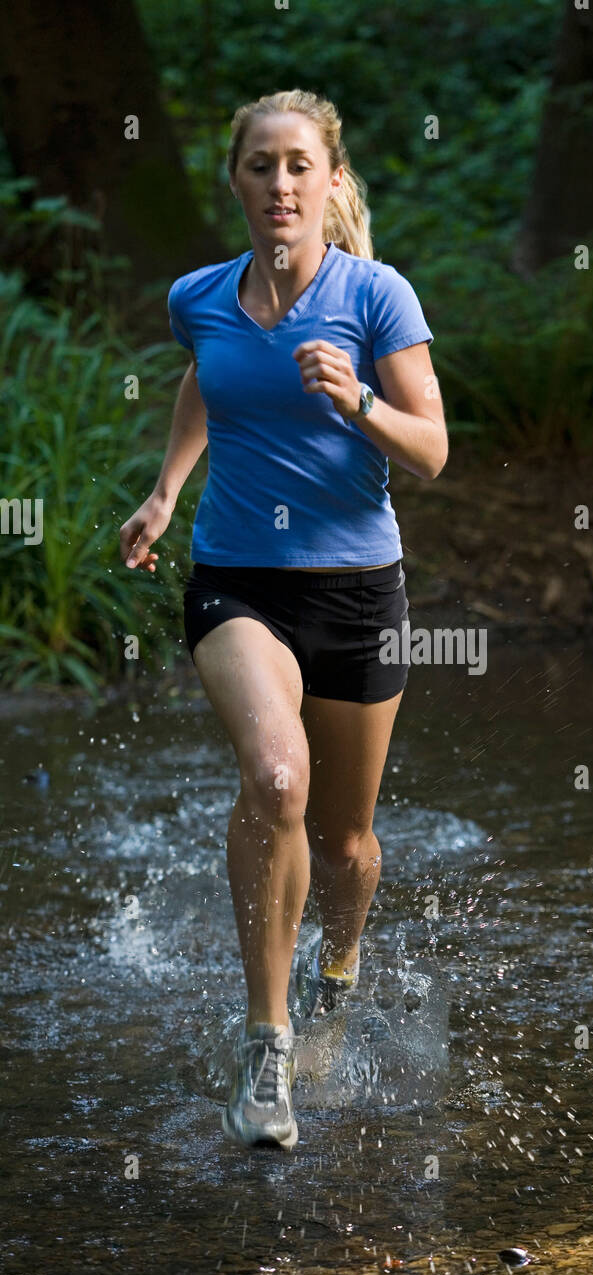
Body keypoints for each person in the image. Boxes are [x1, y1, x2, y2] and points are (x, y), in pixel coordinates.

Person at [119, 88, 447, 1151]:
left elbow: (433, 450)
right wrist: (168, 488)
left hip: (357, 588)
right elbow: (205, 380)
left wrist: (356, 398)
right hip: (237, 580)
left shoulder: (376, 297)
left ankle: (335, 977)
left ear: (331, 180)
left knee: (345, 842)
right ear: (237, 182)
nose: (280, 185)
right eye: (260, 166)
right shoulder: (200, 297)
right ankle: (267, 1043)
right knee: (274, 778)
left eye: (299, 165)